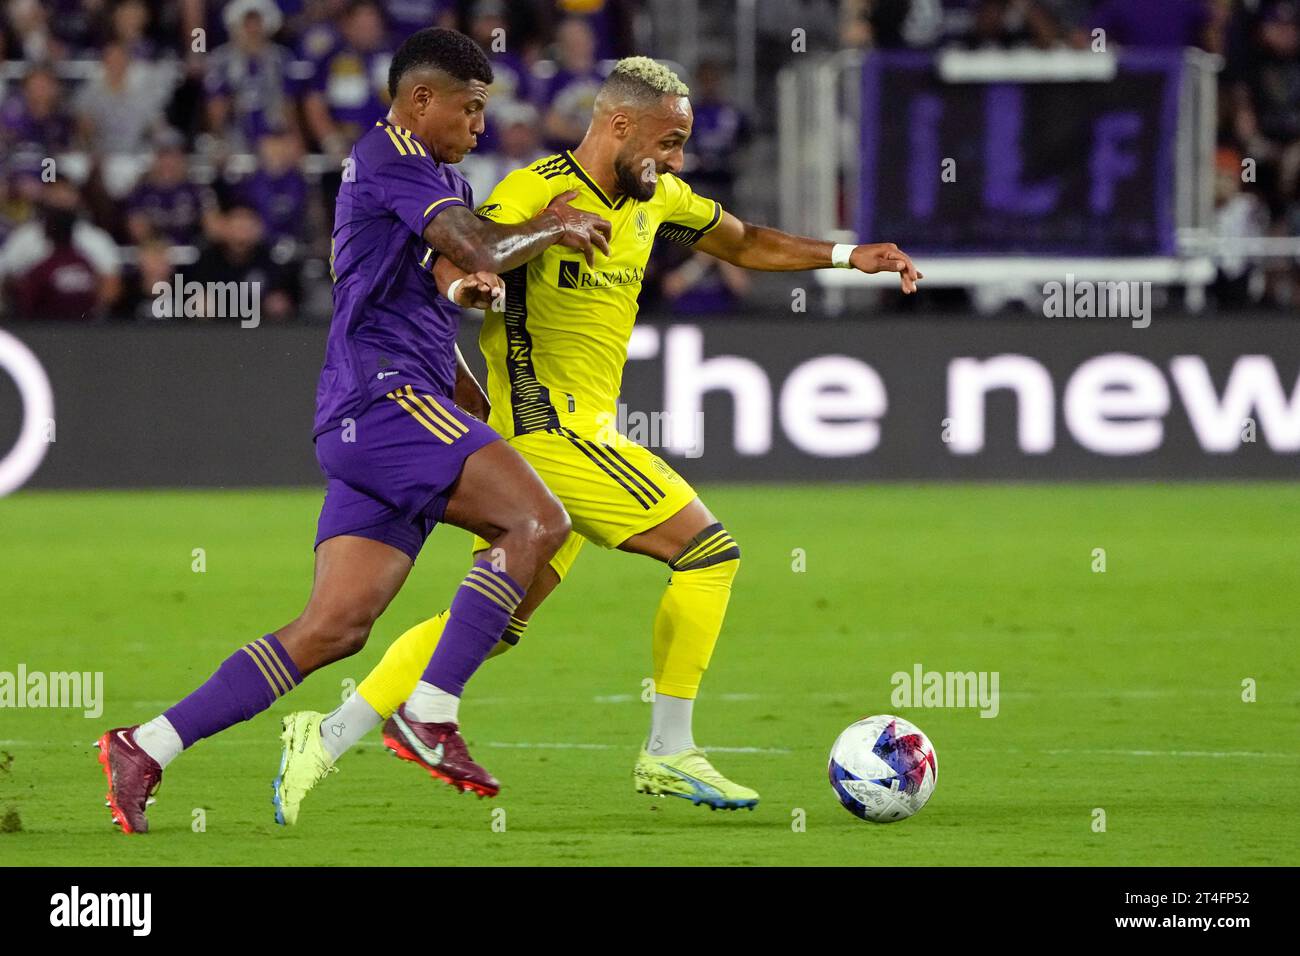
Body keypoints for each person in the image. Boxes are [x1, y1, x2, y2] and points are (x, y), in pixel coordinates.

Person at [274, 56, 921, 820]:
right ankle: (670, 750)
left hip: (581, 434)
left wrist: (848, 256)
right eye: (669, 142)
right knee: (708, 553)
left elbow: (744, 243)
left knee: (493, 624)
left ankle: (327, 732)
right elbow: (455, 255)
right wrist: (471, 283)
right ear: (619, 124)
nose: (678, 160)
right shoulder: (537, 189)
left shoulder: (661, 198)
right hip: (543, 430)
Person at [95, 27, 612, 834]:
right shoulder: (392, 157)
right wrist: (551, 224)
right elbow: (475, 247)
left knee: (333, 628)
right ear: (420, 100)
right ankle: (430, 712)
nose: (480, 125)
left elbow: (447, 274)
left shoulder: (432, 173)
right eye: (470, 109)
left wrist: (469, 379)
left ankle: (146, 745)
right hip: (382, 400)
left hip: (377, 408)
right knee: (539, 520)